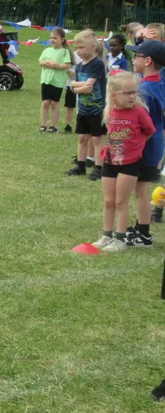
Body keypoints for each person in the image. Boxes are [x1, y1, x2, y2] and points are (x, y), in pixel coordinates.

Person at [90, 70, 155, 252]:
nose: (132, 96)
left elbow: (149, 132)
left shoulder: (139, 113)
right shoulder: (110, 111)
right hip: (110, 162)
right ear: (113, 95)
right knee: (108, 201)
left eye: (134, 92)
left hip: (129, 163)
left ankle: (120, 238)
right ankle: (106, 235)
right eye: (127, 93)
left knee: (121, 202)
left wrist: (136, 147)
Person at [129, 40, 165, 236]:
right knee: (140, 189)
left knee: (140, 190)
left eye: (137, 56)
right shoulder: (160, 82)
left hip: (146, 145)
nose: (133, 59)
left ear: (148, 61)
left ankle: (142, 232)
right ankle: (140, 228)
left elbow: (143, 124)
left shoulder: (144, 89)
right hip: (157, 143)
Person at [65, 30, 107, 180]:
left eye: (81, 47)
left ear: (93, 47)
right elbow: (74, 86)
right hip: (83, 108)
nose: (78, 51)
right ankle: (80, 166)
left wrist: (77, 87)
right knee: (82, 138)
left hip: (97, 109)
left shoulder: (98, 64)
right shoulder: (80, 66)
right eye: (77, 48)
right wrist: (77, 87)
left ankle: (98, 168)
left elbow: (89, 85)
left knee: (96, 139)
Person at [38, 27, 71, 133]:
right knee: (45, 103)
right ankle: (43, 125)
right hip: (46, 80)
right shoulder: (46, 50)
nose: (52, 40)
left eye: (55, 38)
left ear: (62, 39)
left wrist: (56, 65)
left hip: (58, 81)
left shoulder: (65, 52)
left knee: (54, 103)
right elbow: (40, 62)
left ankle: (53, 126)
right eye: (51, 37)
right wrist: (47, 63)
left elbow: (66, 65)